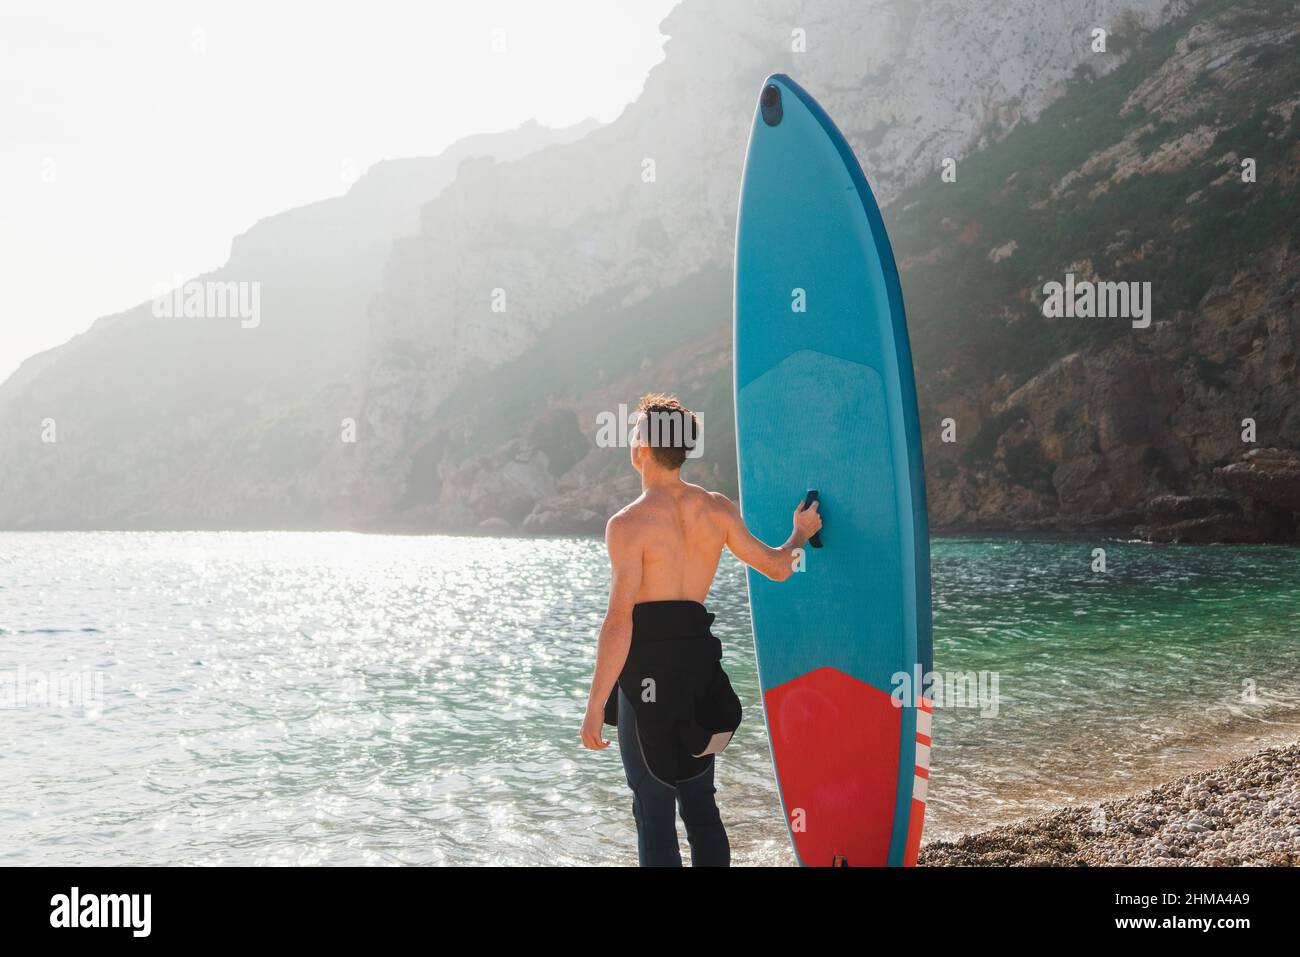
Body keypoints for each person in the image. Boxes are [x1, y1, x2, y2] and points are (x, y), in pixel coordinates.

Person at [579, 393, 821, 866]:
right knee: (700, 806)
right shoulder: (717, 509)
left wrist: (594, 705)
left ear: (642, 449)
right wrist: (800, 533)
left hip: (646, 677)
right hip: (698, 672)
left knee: (653, 810)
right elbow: (777, 567)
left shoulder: (628, 524)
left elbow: (617, 622)